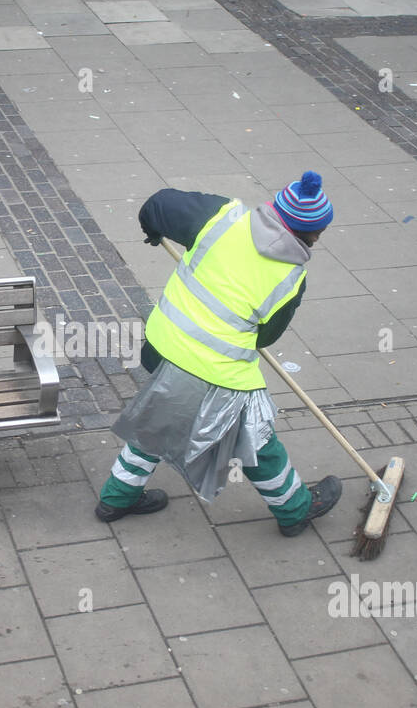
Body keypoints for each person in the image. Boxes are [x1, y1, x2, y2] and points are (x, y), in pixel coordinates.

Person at [95, 171, 342, 537]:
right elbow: (265, 338)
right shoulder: (290, 279)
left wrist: (153, 229)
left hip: (162, 346)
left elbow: (159, 204)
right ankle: (294, 510)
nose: (320, 237)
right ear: (308, 233)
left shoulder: (222, 215)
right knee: (254, 438)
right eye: (319, 231)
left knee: (161, 415)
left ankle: (117, 497)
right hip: (213, 374)